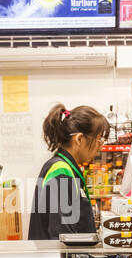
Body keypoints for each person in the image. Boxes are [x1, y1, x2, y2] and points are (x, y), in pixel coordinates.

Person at [28, 103, 109, 240]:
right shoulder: (61, 172)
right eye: (98, 140)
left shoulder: (63, 167)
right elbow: (63, 236)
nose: (99, 147)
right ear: (79, 139)